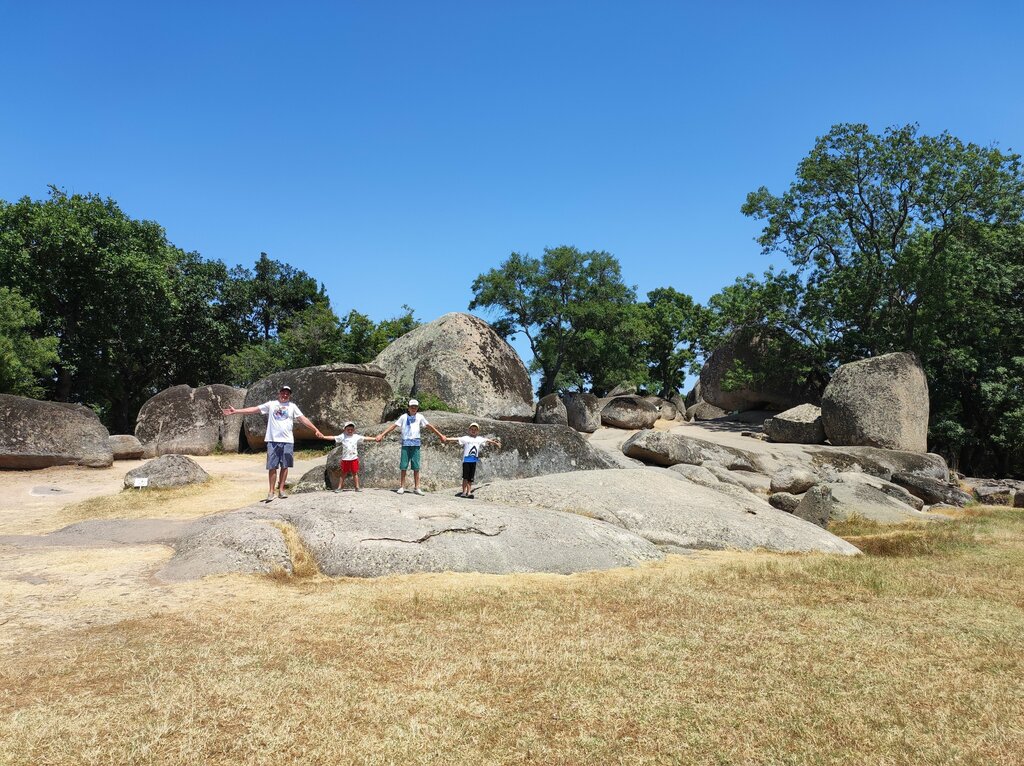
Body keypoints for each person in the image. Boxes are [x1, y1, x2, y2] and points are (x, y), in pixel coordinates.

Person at [222, 385, 324, 501]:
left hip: (287, 441)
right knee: (272, 467)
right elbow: (254, 409)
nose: (285, 395)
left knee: (285, 466)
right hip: (273, 441)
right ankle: (271, 491)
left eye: (287, 393)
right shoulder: (271, 404)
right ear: (279, 393)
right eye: (283, 393)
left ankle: (281, 490)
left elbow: (303, 419)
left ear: (289, 395)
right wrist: (236, 411)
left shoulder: (292, 406)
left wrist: (315, 429)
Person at [375, 399, 448, 495]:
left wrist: (440, 435)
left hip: (416, 444)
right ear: (408, 408)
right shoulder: (403, 417)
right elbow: (393, 426)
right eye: (412, 407)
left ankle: (417, 487)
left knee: (416, 467)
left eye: (415, 407)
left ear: (417, 408)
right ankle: (402, 486)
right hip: (406, 444)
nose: (413, 408)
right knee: (403, 466)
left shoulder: (420, 417)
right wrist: (382, 434)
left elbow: (429, 426)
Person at [443, 422, 501, 498]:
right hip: (466, 461)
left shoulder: (479, 439)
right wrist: (446, 439)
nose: (473, 431)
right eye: (472, 429)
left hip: (473, 461)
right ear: (469, 430)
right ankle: (463, 492)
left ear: (478, 431)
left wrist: (495, 443)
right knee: (465, 477)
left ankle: (469, 492)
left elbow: (487, 440)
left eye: (475, 429)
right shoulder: (466, 438)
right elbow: (456, 439)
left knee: (471, 478)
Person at [319, 421, 377, 492]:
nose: (350, 431)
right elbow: (333, 437)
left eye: (351, 429)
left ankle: (357, 487)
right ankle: (340, 488)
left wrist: (375, 439)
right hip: (345, 459)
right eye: (348, 429)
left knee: (355, 473)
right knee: (343, 473)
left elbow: (365, 438)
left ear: (354, 430)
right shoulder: (342, 436)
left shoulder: (356, 436)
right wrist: (323, 437)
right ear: (345, 429)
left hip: (354, 458)